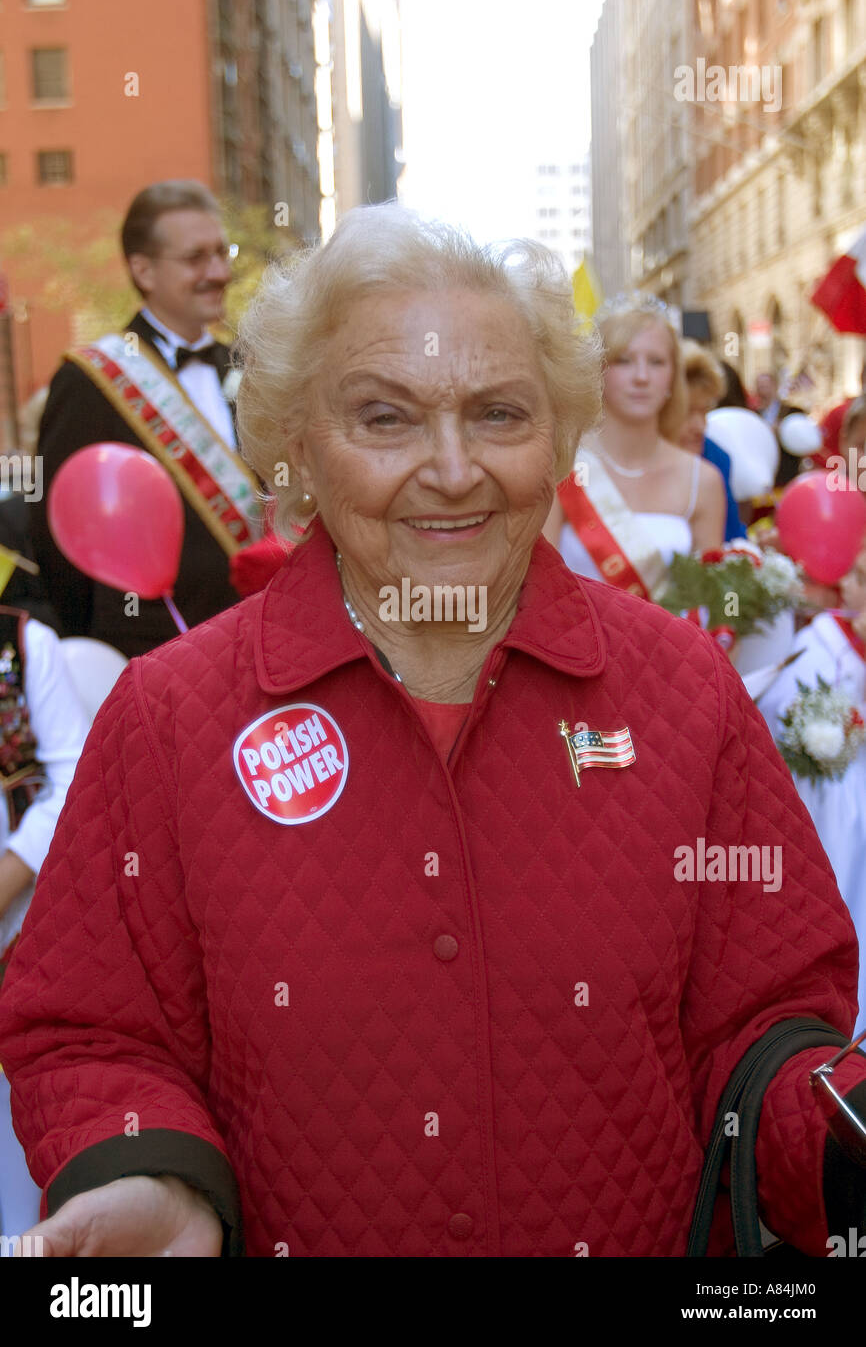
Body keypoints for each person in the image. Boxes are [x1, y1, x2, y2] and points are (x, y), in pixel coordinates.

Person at [0, 205, 864, 1259]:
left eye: (499, 414)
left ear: (556, 438)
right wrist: (152, 1169)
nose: (453, 468)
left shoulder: (685, 691)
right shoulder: (170, 717)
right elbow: (91, 1028)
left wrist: (833, 1135)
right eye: (385, 418)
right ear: (298, 449)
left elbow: (765, 1019)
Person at [31, 180, 263, 658]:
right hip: (151, 652)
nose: (219, 271)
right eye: (196, 258)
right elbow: (57, 540)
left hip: (258, 634)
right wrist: (94, 649)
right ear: (144, 270)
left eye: (223, 252)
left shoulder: (248, 366)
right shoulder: (91, 381)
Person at [0, 606, 90, 1239]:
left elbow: (73, 784)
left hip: (16, 942)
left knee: (13, 1143)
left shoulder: (24, 646)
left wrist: (5, 883)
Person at [543, 297, 725, 599]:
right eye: (623, 360)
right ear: (598, 371)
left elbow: (711, 604)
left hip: (670, 646)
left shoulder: (703, 480)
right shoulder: (561, 465)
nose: (641, 377)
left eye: (656, 362)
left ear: (672, 376)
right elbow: (540, 590)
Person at [758, 542, 866, 1030]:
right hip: (832, 808)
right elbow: (778, 713)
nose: (850, 587)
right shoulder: (820, 646)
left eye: (861, 579)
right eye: (855, 575)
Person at [678, 340, 746, 542]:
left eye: (705, 411)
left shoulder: (716, 458)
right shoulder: (635, 460)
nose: (700, 425)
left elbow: (732, 538)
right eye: (688, 412)